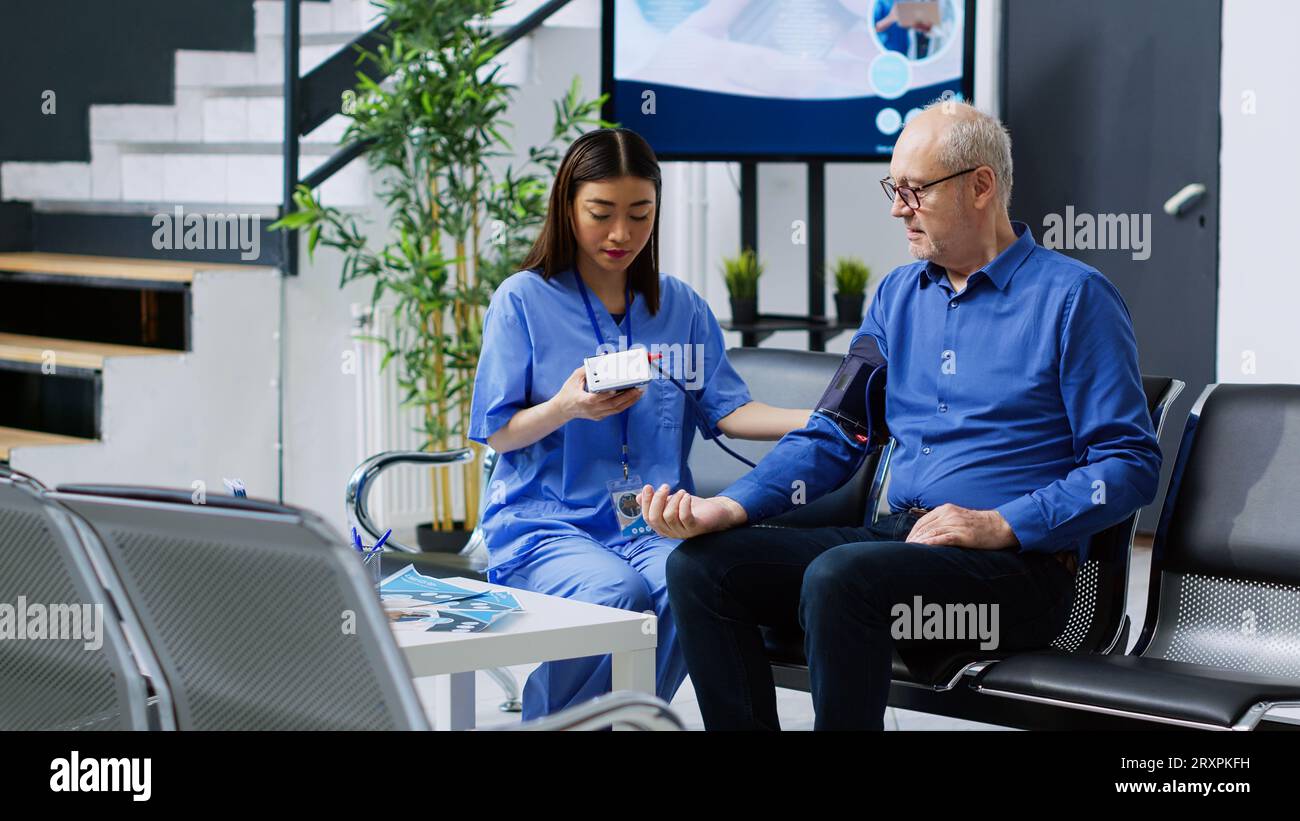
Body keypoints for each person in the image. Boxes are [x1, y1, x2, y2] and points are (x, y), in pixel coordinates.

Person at [641, 101, 1163, 730]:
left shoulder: (1076, 299)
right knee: (701, 568)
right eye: (895, 189)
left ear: (980, 186)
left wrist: (999, 523)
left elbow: (1129, 465)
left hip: (1015, 579)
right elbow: (838, 430)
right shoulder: (896, 296)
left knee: (842, 578)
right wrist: (731, 507)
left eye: (914, 191)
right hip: (898, 548)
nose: (896, 208)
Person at [468, 127, 810, 720]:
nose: (621, 234)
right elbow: (499, 432)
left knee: (690, 581)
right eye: (601, 213)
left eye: (639, 214)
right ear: (567, 207)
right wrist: (565, 407)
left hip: (652, 522)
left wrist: (823, 416)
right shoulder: (522, 299)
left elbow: (729, 411)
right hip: (545, 525)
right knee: (614, 593)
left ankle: (613, 721)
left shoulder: (680, 306)